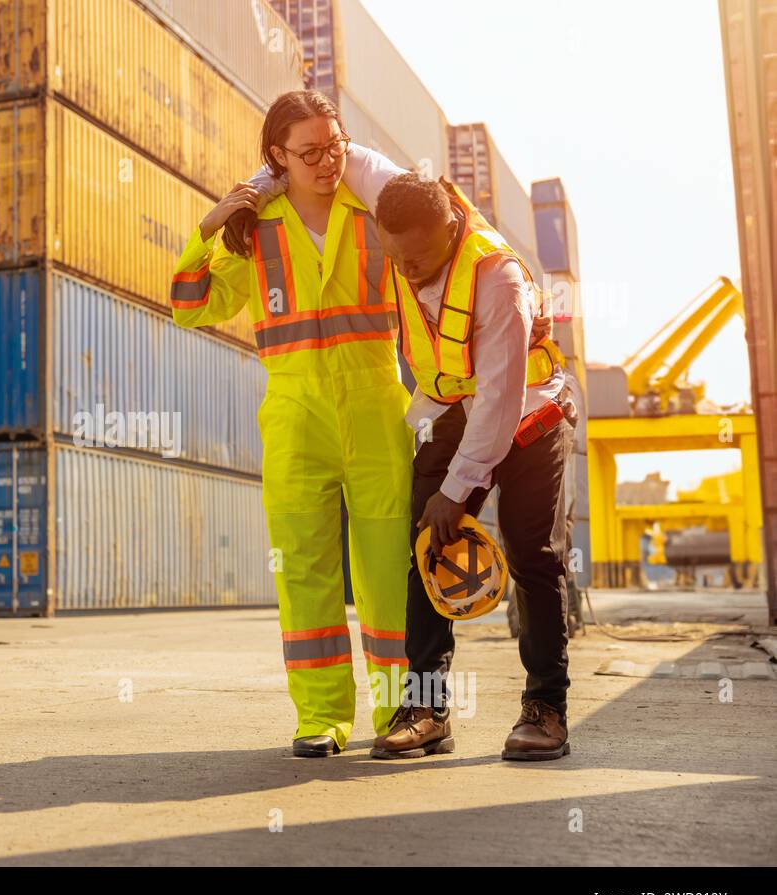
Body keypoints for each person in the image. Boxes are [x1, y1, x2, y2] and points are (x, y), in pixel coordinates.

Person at [253, 149, 573, 761]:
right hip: (453, 404)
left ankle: (545, 708)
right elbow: (341, 155)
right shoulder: (398, 208)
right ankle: (426, 708)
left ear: (451, 230)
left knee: (534, 555)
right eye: (394, 258)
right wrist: (255, 187)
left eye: (418, 260)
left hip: (531, 410)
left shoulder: (497, 280)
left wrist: (458, 490)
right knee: (423, 544)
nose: (406, 270)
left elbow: (501, 401)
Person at [169, 91, 413, 757]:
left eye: (335, 147)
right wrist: (211, 222)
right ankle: (322, 717)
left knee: (390, 569)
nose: (328, 162)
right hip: (295, 415)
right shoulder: (257, 228)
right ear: (277, 156)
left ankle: (402, 715)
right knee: (304, 569)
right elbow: (189, 305)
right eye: (310, 153)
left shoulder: (374, 212)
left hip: (375, 410)